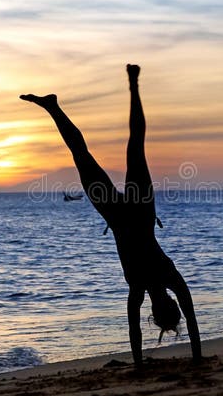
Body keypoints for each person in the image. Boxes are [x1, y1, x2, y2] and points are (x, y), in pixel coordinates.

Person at [20, 64, 202, 368]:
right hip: (134, 213)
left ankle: (56, 106)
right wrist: (192, 359)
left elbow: (151, 328)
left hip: (125, 215)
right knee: (121, 148)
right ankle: (121, 86)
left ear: (160, 309)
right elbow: (182, 325)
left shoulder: (145, 286)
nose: (163, 303)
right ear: (161, 308)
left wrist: (145, 365)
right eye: (165, 306)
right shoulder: (153, 282)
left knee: (98, 153)